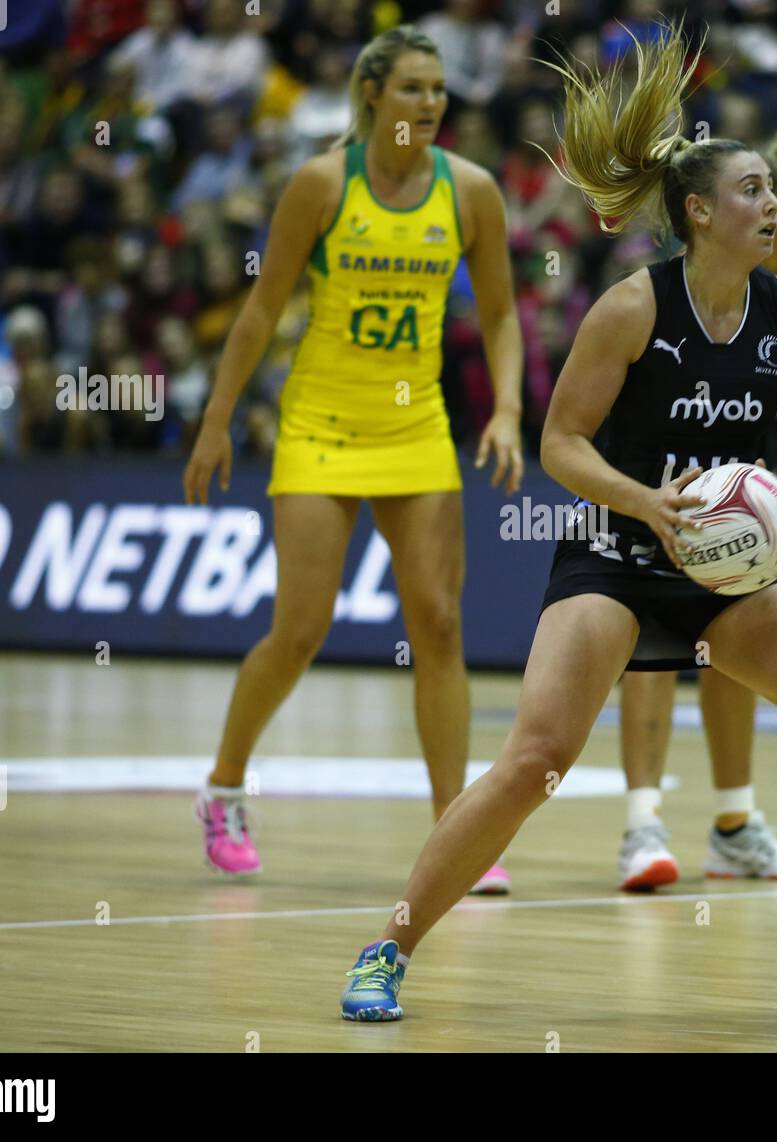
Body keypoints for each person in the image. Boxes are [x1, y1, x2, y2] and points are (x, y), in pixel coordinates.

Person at [340, 25, 777, 1024]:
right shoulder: (628, 307)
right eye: (753, 190)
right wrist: (648, 501)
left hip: (726, 572)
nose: (774, 206)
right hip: (616, 558)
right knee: (536, 758)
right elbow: (564, 441)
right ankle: (386, 947)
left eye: (773, 193)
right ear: (698, 212)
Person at [182, 26, 524, 894]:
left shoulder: (472, 191)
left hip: (416, 429)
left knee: (439, 625)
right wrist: (216, 422)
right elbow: (259, 312)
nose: (431, 103)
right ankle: (223, 788)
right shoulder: (322, 184)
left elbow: (501, 319)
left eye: (439, 89)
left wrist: (511, 410)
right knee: (300, 630)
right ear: (373, 94)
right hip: (322, 423)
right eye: (413, 88)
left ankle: (457, 829)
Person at [615, 118, 777, 892]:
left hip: (751, 489)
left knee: (732, 653)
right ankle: (641, 824)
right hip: (662, 491)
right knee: (650, 646)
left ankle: (733, 822)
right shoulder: (681, 282)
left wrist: (775, 493)